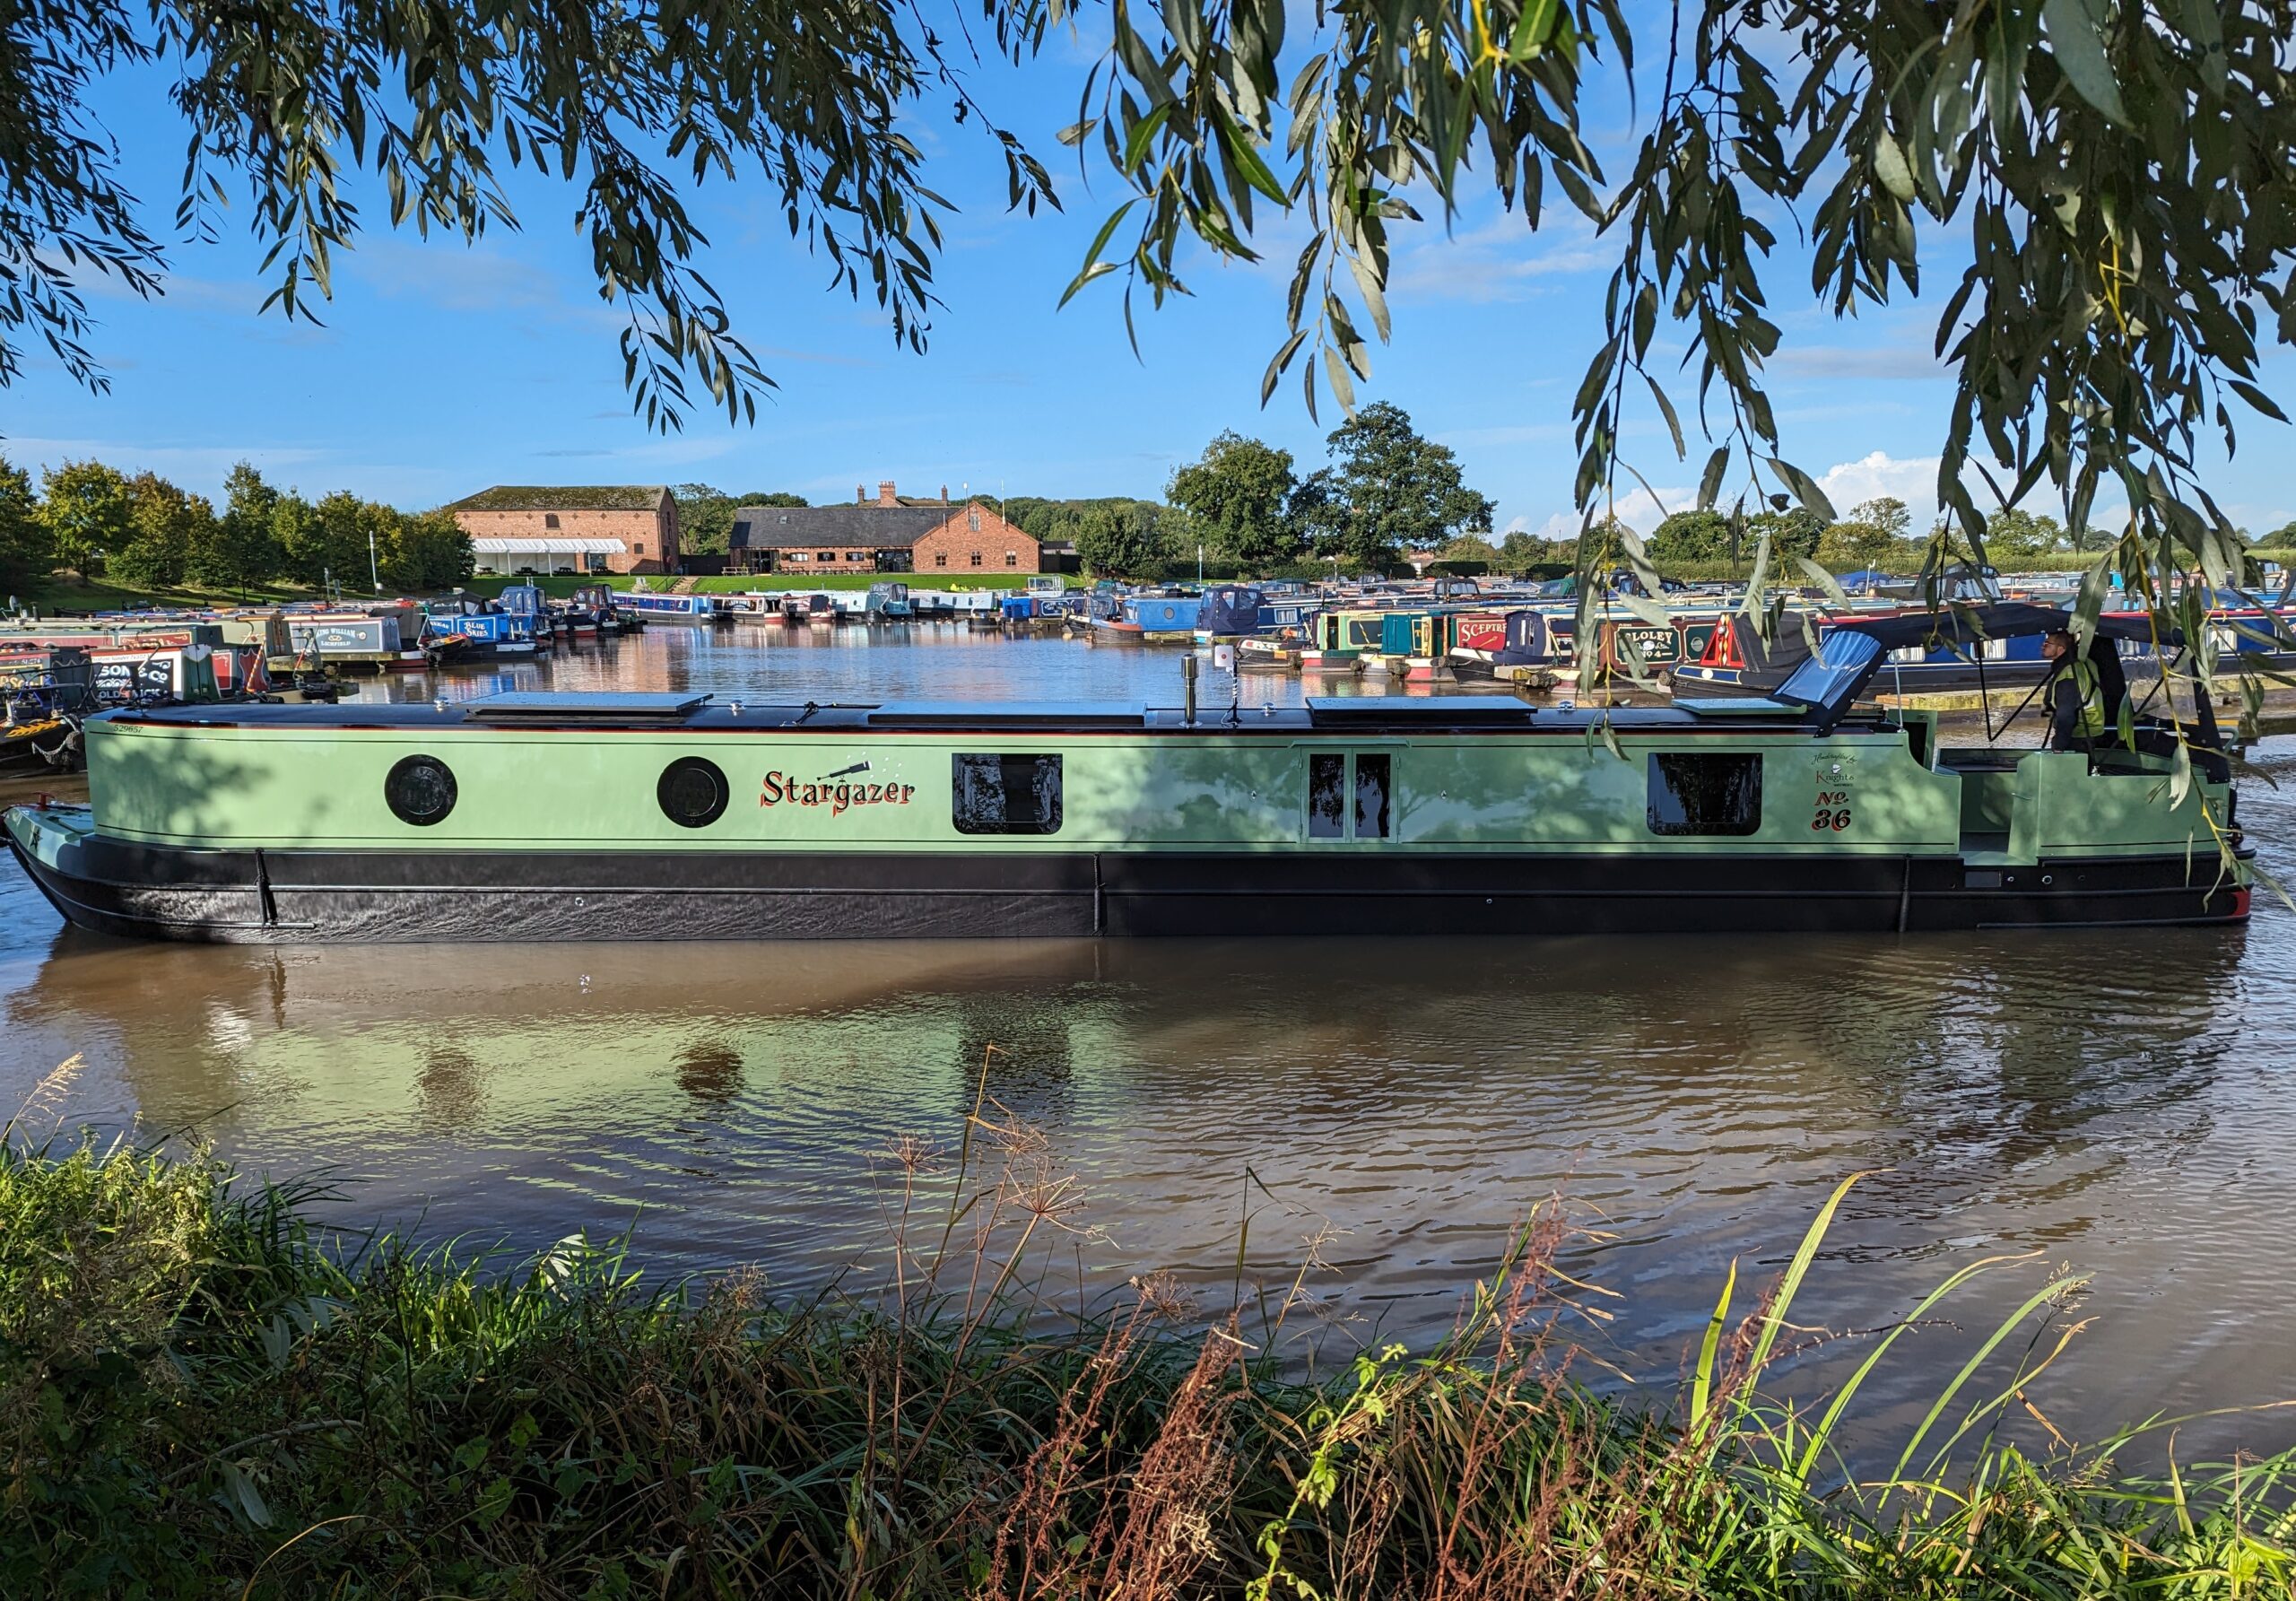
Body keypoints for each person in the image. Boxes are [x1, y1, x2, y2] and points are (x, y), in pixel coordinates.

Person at [2041, 629, 2105, 752]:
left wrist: (2059, 747)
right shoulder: (2086, 663)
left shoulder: (2068, 676)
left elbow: (2066, 716)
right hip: (2092, 733)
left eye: (2047, 644)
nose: (2042, 647)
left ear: (2061, 649)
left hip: (2078, 737)